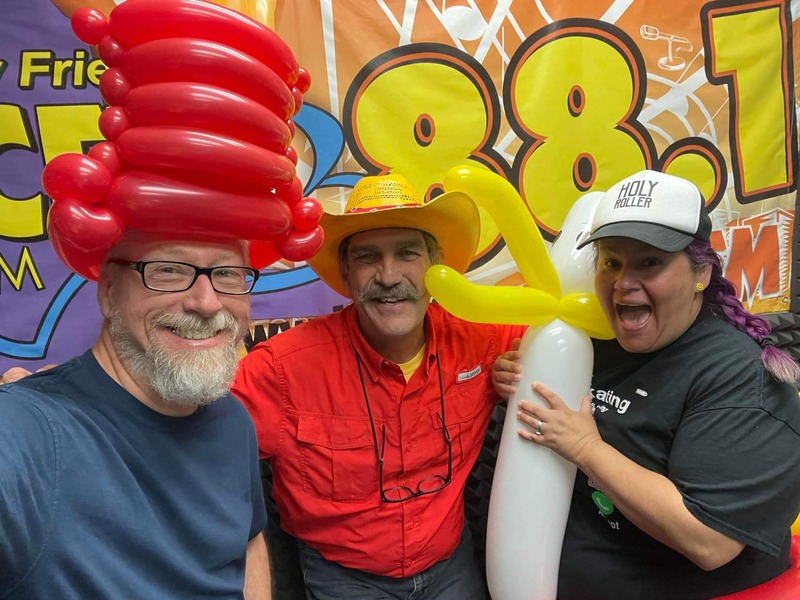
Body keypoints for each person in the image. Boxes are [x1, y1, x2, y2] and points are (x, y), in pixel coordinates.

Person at [493, 170, 800, 599]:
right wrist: (513, 377)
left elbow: (709, 541)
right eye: (611, 262)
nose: (622, 282)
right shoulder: (598, 341)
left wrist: (587, 449)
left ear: (701, 274)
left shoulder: (739, 376)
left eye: (649, 262)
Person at [232, 173, 525, 599]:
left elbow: (573, 335)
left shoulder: (482, 340)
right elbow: (190, 442)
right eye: (368, 257)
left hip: (452, 567)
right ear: (347, 274)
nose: (388, 276)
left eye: (407, 253)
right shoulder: (282, 370)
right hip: (344, 578)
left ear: (435, 265)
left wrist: (532, 367)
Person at [0, 232, 270, 599]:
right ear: (108, 291)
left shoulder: (232, 418)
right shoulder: (27, 430)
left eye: (227, 274)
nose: (207, 302)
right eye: (169, 270)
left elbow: (248, 543)